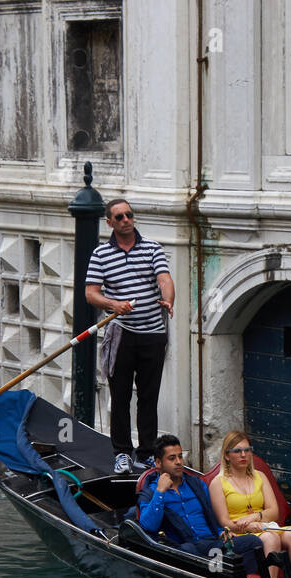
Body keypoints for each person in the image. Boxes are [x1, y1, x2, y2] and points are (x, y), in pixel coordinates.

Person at [84, 198, 175, 474]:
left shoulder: (152, 248)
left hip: (153, 334)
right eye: (120, 217)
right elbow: (91, 293)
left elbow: (164, 279)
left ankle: (147, 452)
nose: (126, 220)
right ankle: (122, 452)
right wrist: (113, 305)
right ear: (109, 222)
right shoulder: (101, 254)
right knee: (120, 395)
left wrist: (168, 299)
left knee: (149, 396)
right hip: (121, 335)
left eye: (129, 215)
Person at [137, 434, 263, 575]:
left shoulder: (197, 484)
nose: (179, 462)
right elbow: (148, 526)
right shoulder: (150, 492)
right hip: (183, 547)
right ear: (158, 463)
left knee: (252, 542)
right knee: (189, 552)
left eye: (180, 456)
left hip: (211, 544)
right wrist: (160, 491)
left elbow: (211, 515)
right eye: (172, 458)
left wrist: (221, 531)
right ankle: (220, 576)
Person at [208, 430, 291, 578]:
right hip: (240, 533)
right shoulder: (218, 483)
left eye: (247, 450)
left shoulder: (260, 476)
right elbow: (224, 522)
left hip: (263, 526)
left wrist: (255, 518)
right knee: (270, 538)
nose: (243, 455)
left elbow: (274, 512)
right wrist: (248, 526)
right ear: (226, 455)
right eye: (237, 451)